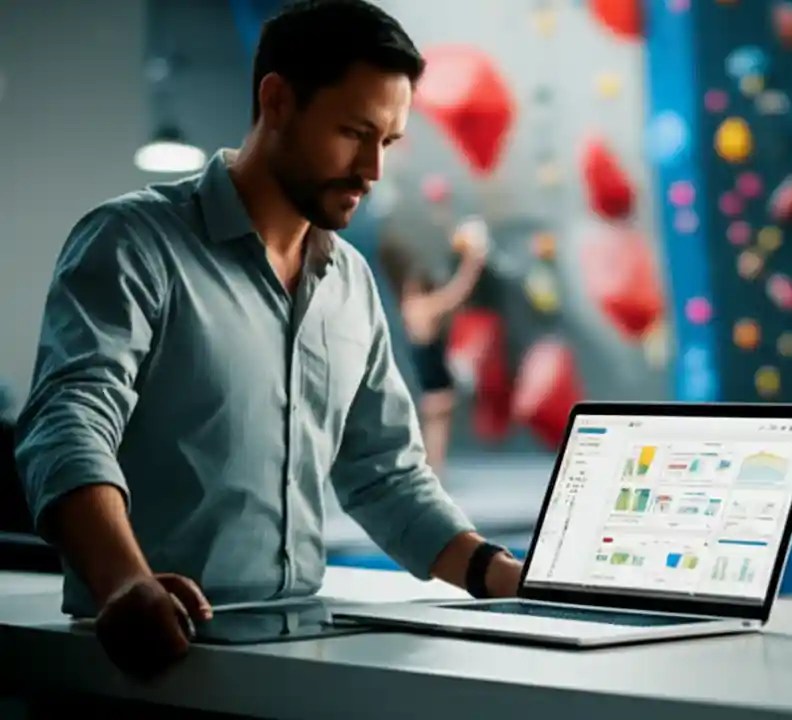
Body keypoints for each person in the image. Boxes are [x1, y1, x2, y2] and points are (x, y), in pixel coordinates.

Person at [14, 0, 522, 682]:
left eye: (389, 142)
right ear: (277, 101)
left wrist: (503, 575)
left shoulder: (350, 283)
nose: (372, 169)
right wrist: (124, 584)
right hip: (146, 663)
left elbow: (384, 472)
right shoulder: (133, 243)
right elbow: (65, 422)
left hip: (301, 662)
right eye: (353, 132)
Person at [377, 223, 487, 477]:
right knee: (436, 427)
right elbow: (455, 294)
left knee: (437, 427)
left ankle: (433, 470)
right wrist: (472, 264)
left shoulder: (413, 307)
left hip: (433, 375)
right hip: (433, 378)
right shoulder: (420, 307)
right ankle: (432, 471)